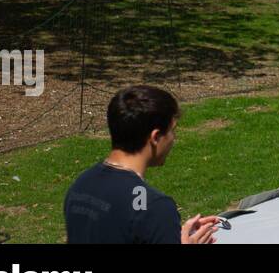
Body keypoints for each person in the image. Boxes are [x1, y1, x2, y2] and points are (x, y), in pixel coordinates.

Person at [63, 84, 219, 244]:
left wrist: (167, 234)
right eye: (172, 130)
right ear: (156, 137)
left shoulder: (82, 185)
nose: (174, 138)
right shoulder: (155, 207)